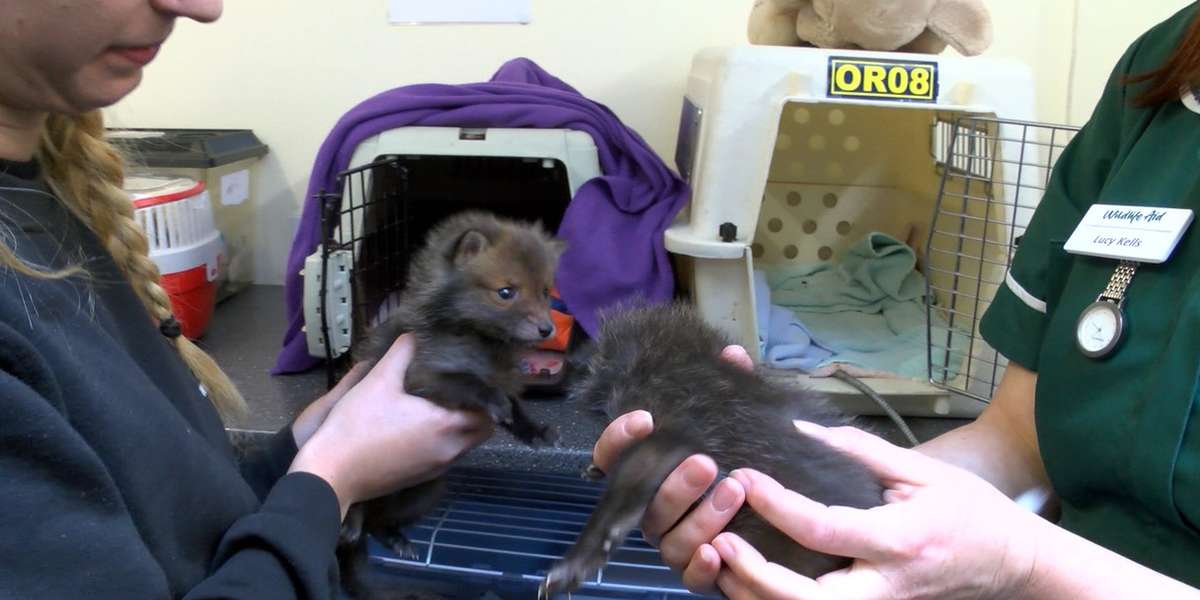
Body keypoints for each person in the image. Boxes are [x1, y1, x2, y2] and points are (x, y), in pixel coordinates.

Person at [593, 4, 1200, 598]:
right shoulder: (1164, 68)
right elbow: (1020, 439)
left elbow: (1015, 551)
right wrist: (812, 499)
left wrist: (1022, 563)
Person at [0, 1, 492, 598]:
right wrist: (330, 480)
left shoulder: (45, 203)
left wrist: (304, 446)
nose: (202, 7)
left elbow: (176, 528)